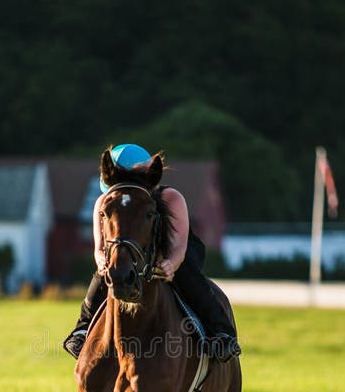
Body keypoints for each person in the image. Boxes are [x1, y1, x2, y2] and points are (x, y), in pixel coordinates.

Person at [63, 144, 241, 362]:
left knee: (186, 275)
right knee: (106, 272)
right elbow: (99, 247)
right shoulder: (103, 201)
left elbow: (179, 246)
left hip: (174, 250)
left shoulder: (171, 198)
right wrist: (102, 261)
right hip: (129, 248)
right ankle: (81, 331)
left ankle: (221, 332)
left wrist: (171, 264)